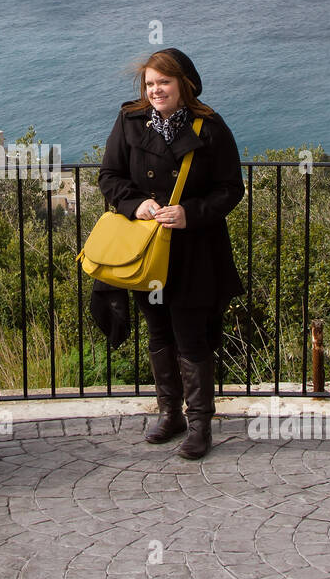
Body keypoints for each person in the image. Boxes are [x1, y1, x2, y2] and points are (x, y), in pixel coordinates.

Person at [98, 48, 245, 459]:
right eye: (149, 83)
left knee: (190, 337)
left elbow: (231, 188)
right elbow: (108, 176)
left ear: (184, 84)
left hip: (194, 251)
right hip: (148, 251)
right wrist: (135, 204)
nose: (155, 90)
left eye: (163, 82)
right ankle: (170, 415)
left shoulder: (210, 127)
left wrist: (190, 213)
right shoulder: (130, 120)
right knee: (159, 332)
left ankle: (200, 425)